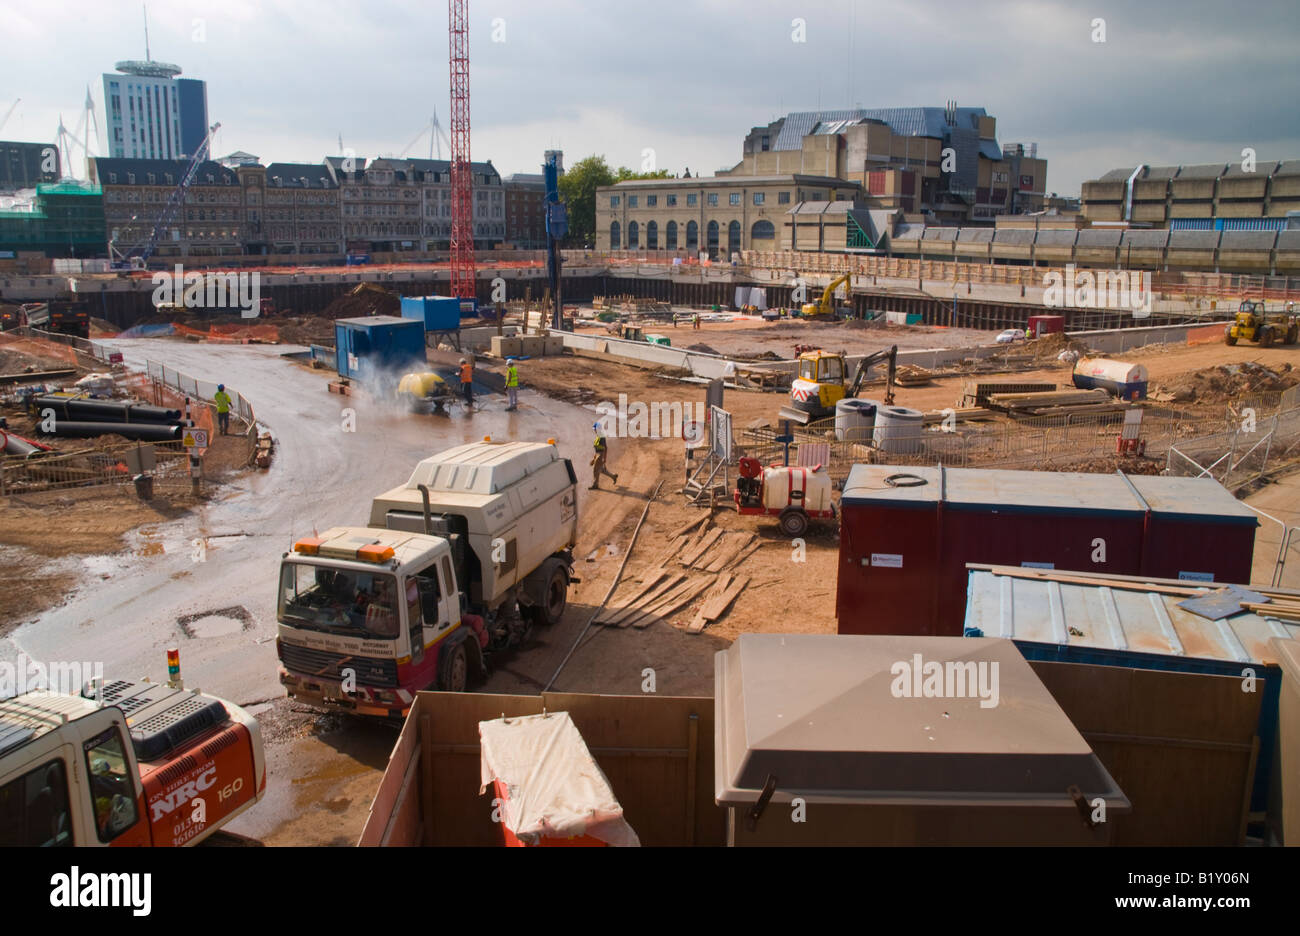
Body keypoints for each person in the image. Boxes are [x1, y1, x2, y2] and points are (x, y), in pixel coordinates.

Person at [589, 423, 618, 490]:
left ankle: (595, 485)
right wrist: (594, 458)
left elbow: (605, 448)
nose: (594, 430)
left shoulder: (601, 436)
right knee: (602, 470)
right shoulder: (599, 436)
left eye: (595, 429)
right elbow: (597, 448)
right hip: (598, 455)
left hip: (600, 455)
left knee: (596, 470)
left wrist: (604, 458)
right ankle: (613, 476)